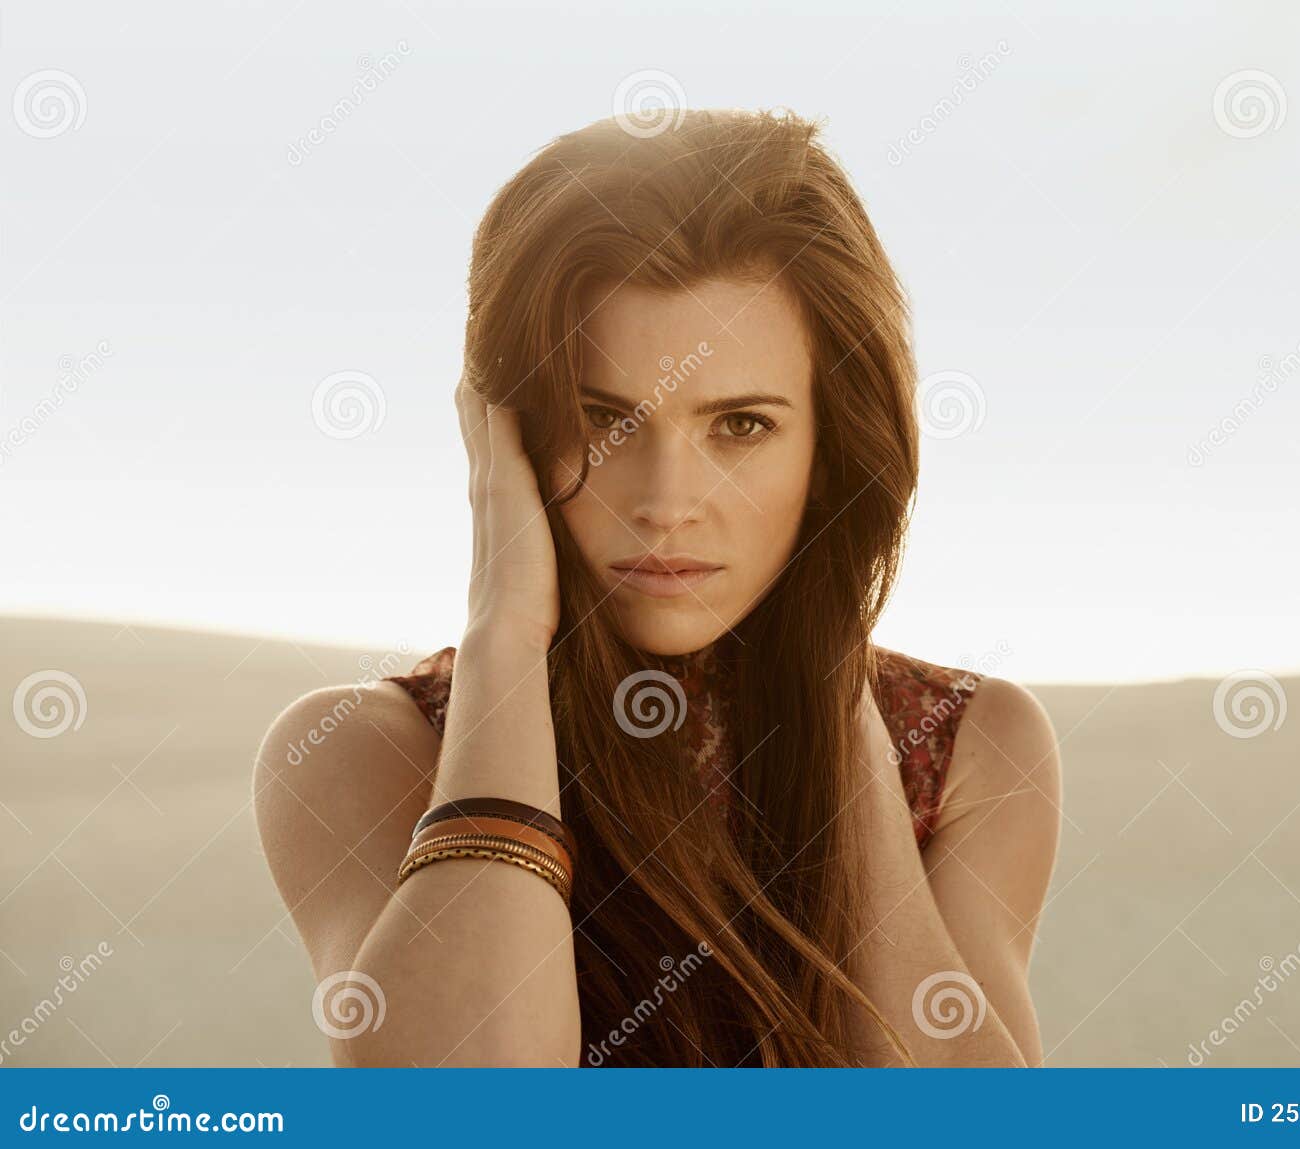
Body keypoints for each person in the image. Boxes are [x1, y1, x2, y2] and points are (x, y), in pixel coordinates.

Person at [253, 107, 1062, 1067]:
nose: (667, 504)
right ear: (510, 436)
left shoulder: (969, 745)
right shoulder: (361, 751)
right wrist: (505, 631)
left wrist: (831, 694)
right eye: (603, 419)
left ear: (835, 446)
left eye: (742, 426)